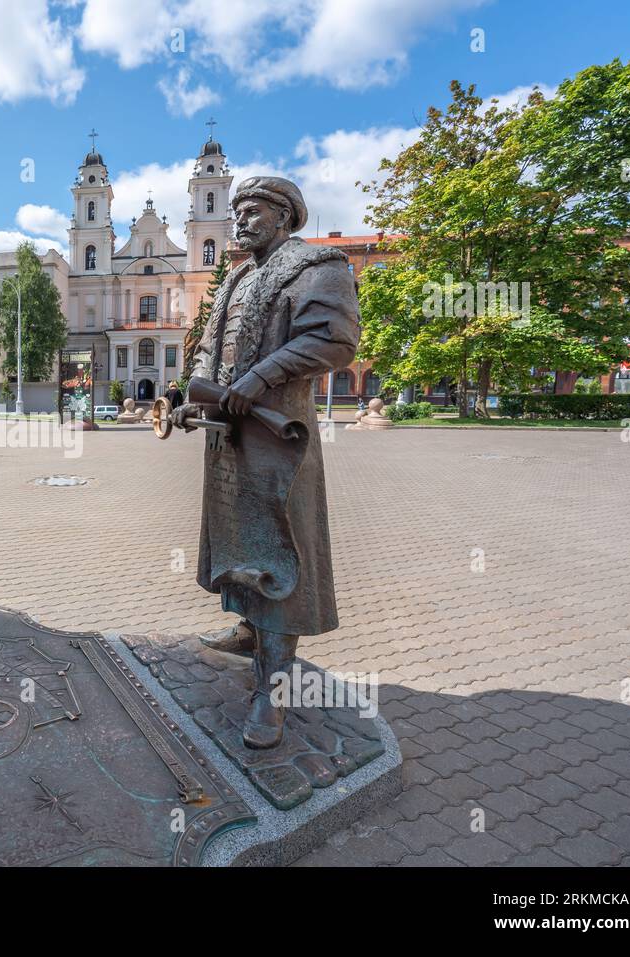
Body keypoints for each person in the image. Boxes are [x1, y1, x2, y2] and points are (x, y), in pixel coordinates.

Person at [171, 175, 360, 749]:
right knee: (236, 545)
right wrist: (193, 393)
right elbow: (208, 345)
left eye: (253, 210)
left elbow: (334, 339)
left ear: (284, 216)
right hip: (229, 437)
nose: (241, 221)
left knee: (280, 551)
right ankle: (252, 631)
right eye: (237, 211)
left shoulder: (318, 267)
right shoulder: (236, 277)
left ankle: (272, 694)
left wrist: (259, 378)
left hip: (279, 441)